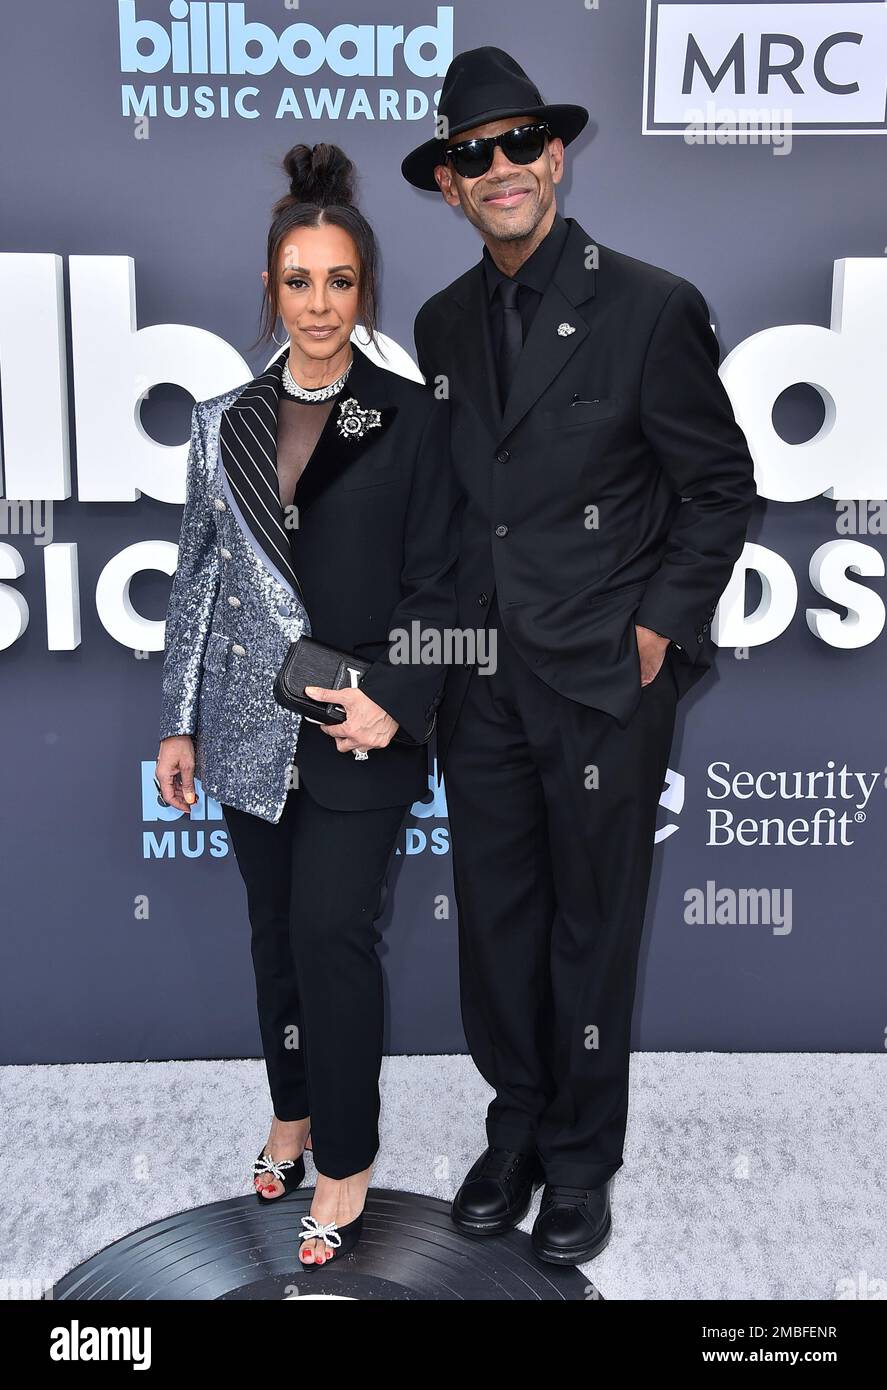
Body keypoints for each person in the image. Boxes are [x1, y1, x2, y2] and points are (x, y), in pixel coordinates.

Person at [402, 47, 757, 1264]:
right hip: (480, 683)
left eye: (516, 144)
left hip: (606, 675)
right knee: (494, 925)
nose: (497, 168)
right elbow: (460, 510)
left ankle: (578, 1158)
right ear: (448, 185)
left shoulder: (650, 305)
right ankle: (513, 1126)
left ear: (551, 156)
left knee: (589, 927)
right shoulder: (439, 322)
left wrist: (655, 628)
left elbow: (717, 492)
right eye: (470, 154)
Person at [155, 142, 458, 1267]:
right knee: (276, 939)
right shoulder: (218, 419)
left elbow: (447, 583)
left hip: (361, 726)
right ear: (272, 287)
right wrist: (179, 719)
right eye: (298, 280)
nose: (319, 303)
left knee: (334, 934)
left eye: (339, 281)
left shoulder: (409, 414)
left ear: (363, 290)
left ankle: (345, 1158)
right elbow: (198, 579)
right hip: (243, 726)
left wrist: (397, 698)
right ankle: (289, 1110)